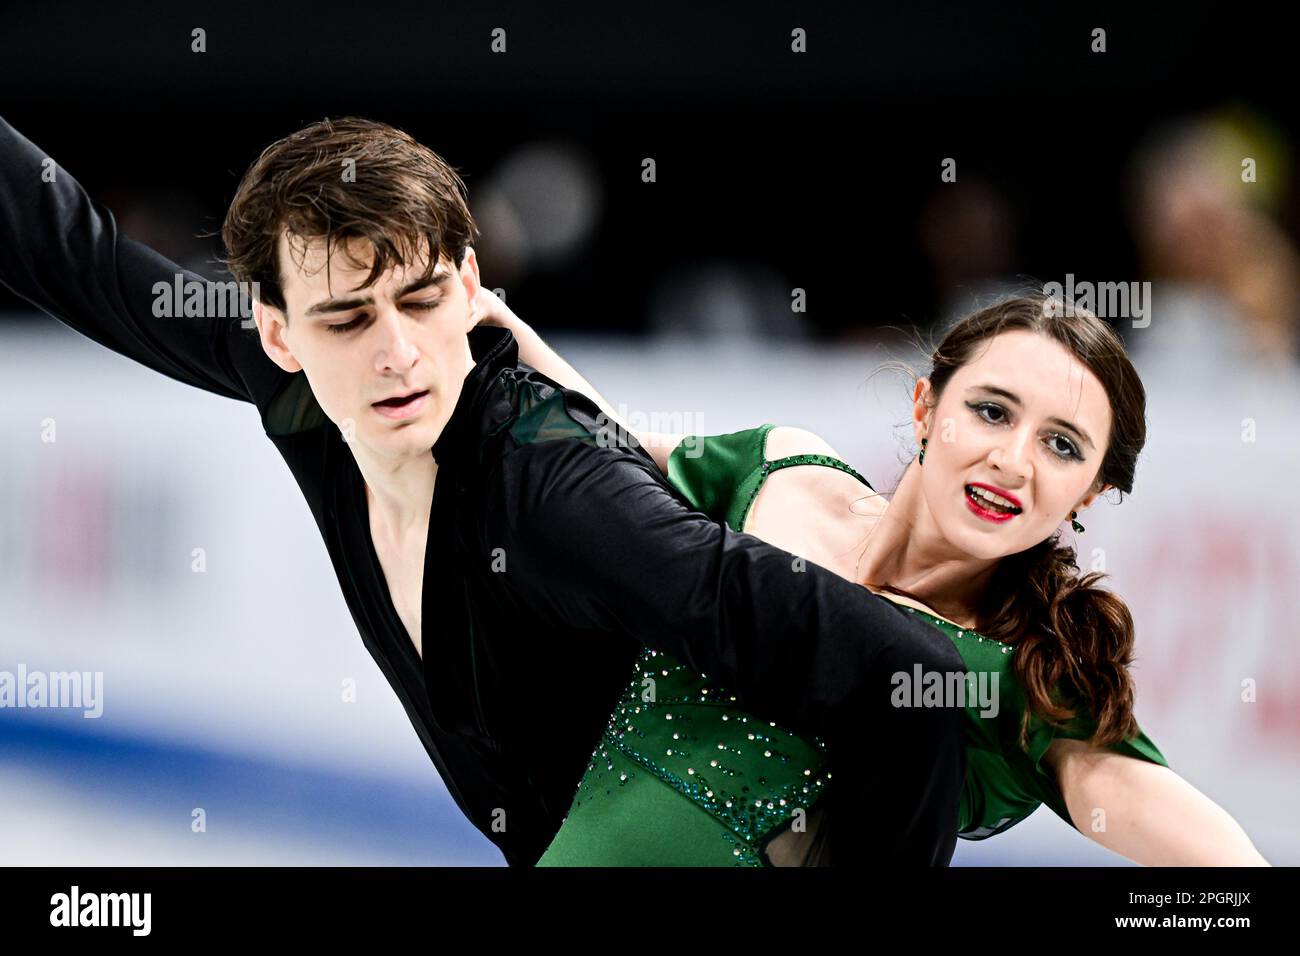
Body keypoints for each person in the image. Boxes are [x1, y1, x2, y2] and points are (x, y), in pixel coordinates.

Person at [0, 113, 970, 866]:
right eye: (344, 319)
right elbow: (75, 254)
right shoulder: (296, 387)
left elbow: (905, 675)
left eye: (420, 300)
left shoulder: (551, 486)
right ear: (279, 336)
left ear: (470, 286)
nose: (395, 354)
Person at [483, 291, 1272, 866]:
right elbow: (595, 442)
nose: (1012, 459)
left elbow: (1215, 860)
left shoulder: (1012, 678)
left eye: (1062, 446)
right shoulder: (779, 472)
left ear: (1091, 493)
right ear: (927, 408)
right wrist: (494, 329)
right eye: (993, 412)